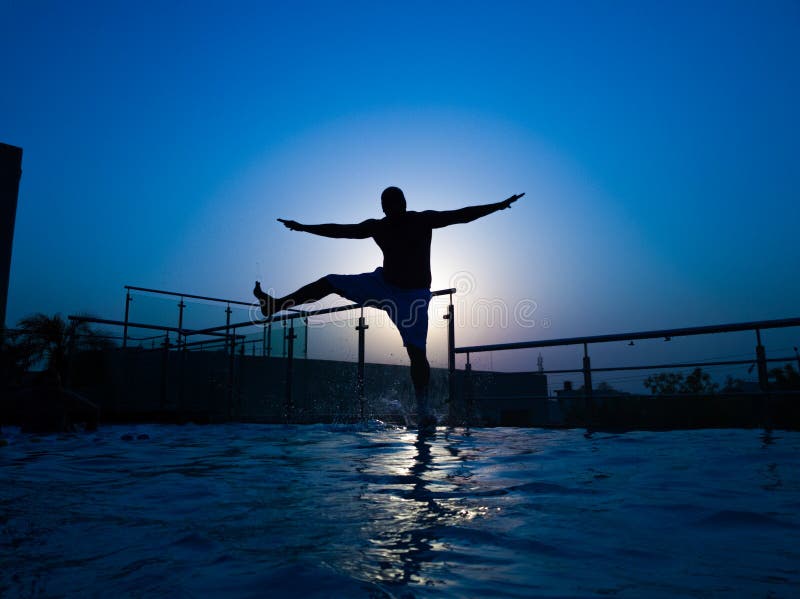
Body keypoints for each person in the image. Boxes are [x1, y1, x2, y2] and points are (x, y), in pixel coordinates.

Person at [253, 186, 524, 429]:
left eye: (398, 203)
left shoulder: (421, 220)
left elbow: (461, 214)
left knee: (417, 354)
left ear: (405, 203)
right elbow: (340, 230)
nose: (395, 208)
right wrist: (303, 227)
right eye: (390, 205)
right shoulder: (378, 226)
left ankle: (423, 409)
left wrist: (498, 206)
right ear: (384, 208)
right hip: (383, 285)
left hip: (413, 297)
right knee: (330, 282)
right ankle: (275, 304)